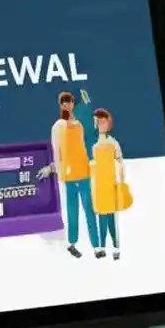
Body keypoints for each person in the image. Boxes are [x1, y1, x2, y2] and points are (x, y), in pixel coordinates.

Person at [39, 90, 99, 258]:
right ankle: (72, 243)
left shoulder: (79, 125)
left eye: (69, 102)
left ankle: (96, 245)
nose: (66, 105)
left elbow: (83, 147)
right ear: (61, 106)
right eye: (63, 102)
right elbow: (56, 151)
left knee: (89, 208)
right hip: (68, 174)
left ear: (73, 104)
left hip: (83, 171)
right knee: (72, 209)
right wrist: (56, 170)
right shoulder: (57, 126)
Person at [90, 108, 124, 260]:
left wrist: (121, 182)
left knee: (112, 218)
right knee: (101, 218)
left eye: (103, 121)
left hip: (111, 184)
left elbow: (120, 163)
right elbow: (91, 165)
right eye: (98, 121)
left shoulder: (113, 143)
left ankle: (116, 248)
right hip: (98, 185)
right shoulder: (94, 145)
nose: (101, 124)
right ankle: (102, 247)